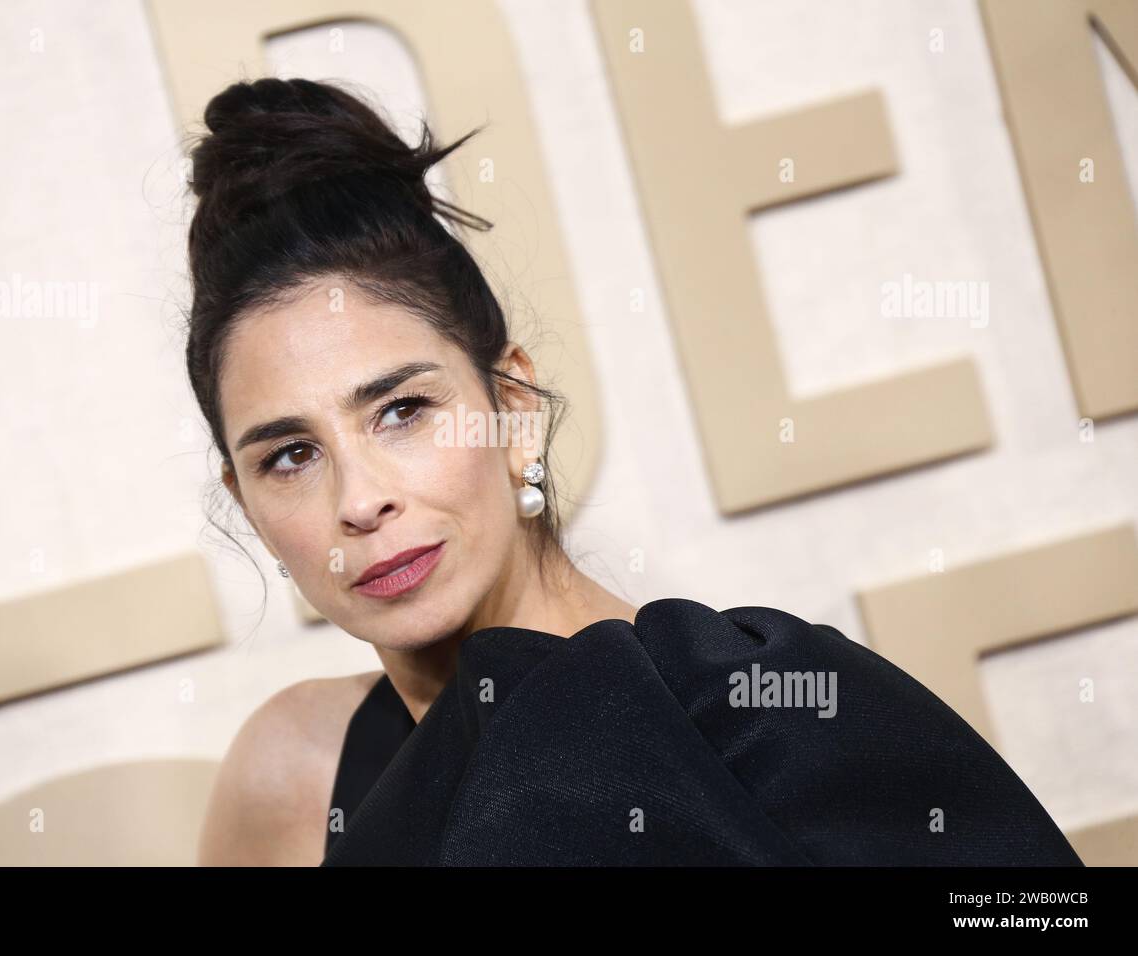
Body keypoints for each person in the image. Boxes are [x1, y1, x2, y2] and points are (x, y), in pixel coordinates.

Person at [186, 76, 1082, 867]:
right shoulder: (289, 778)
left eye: (404, 410)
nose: (361, 498)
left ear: (513, 408)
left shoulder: (767, 710)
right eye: (292, 456)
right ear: (248, 504)